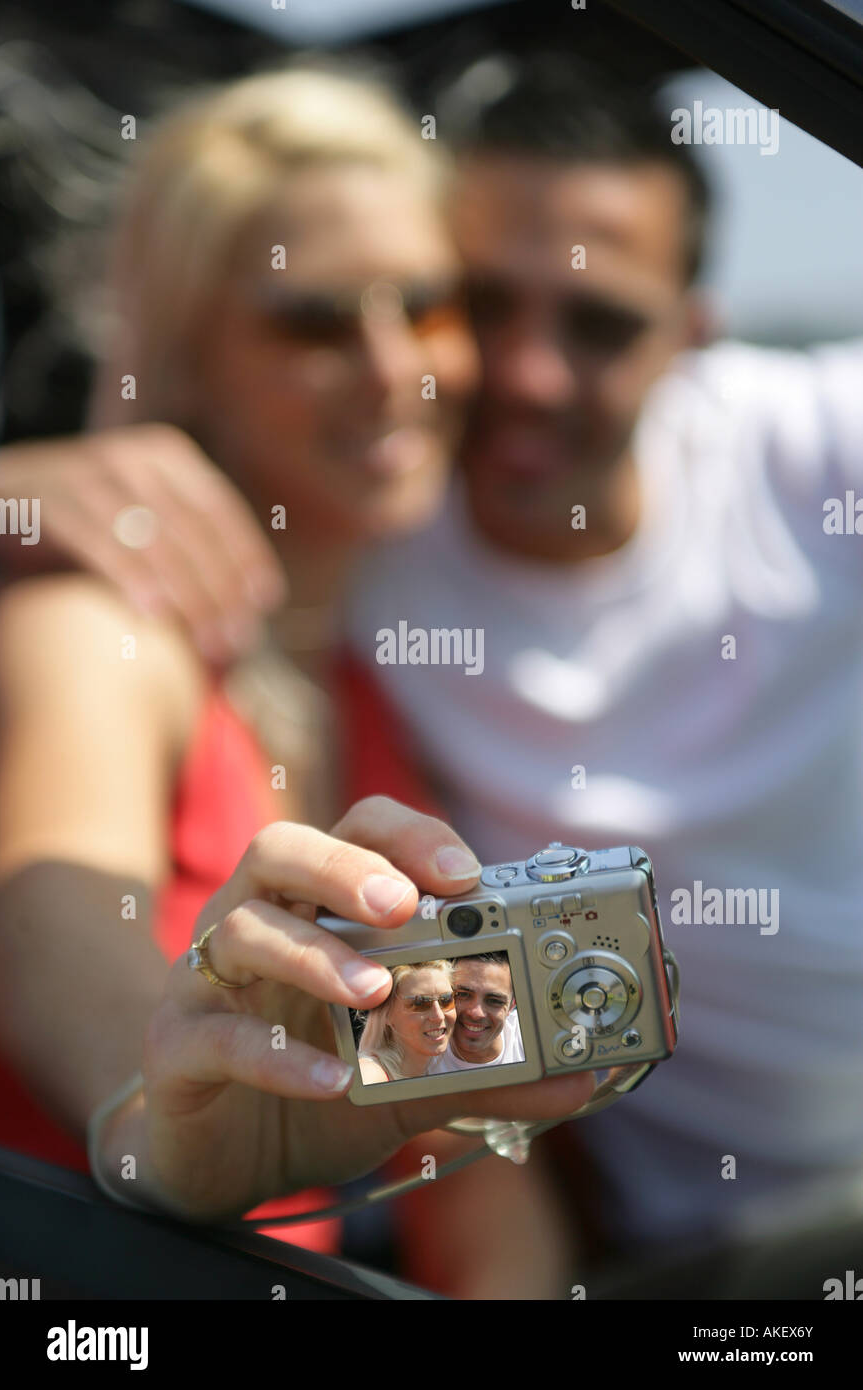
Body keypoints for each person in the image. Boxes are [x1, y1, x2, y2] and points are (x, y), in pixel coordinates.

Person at [344, 53, 863, 1285]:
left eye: (599, 323)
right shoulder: (355, 524)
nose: (528, 374)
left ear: (692, 335)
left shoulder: (809, 444)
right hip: (661, 1251)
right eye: (484, 305)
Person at [0, 62, 480, 1248]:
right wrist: (152, 1111)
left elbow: (456, 1149)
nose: (394, 367)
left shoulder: (364, 686)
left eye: (426, 304)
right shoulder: (102, 633)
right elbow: (45, 915)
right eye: (313, 320)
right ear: (187, 360)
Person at [357, 960, 455, 1082]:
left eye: (446, 1000)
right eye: (419, 1003)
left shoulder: (444, 1066)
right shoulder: (371, 1071)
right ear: (387, 1014)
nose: (439, 1016)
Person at [426, 953, 524, 1072]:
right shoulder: (420, 1053)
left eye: (494, 1001)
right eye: (463, 994)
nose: (476, 1014)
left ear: (511, 1006)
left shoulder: (532, 1041)